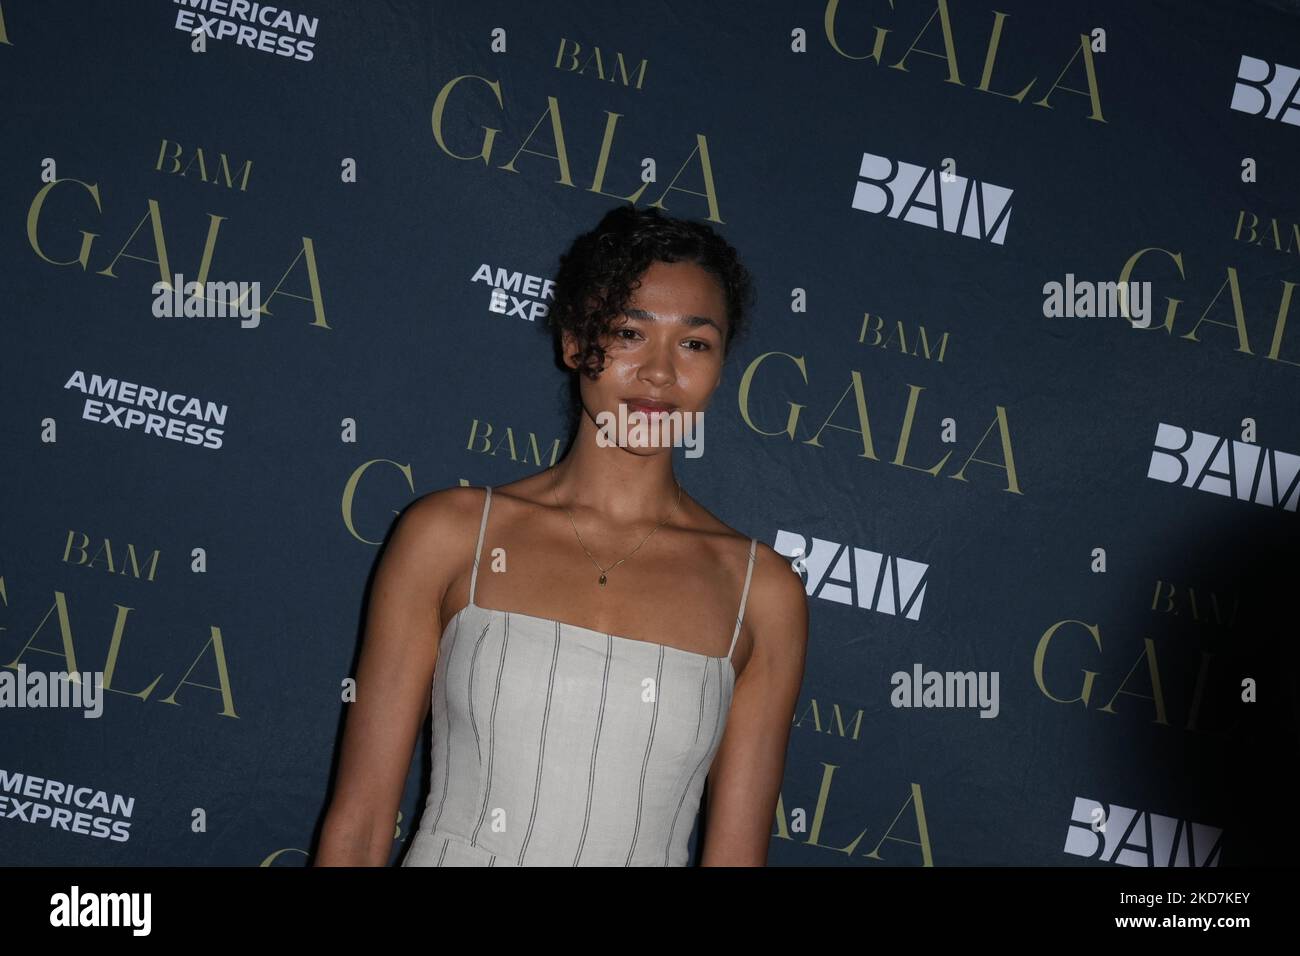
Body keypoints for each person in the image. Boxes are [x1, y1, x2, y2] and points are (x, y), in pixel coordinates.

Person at [314, 204, 808, 866]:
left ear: (720, 369)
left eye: (694, 343)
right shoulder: (449, 535)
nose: (661, 373)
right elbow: (361, 826)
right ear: (575, 341)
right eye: (630, 333)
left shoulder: (760, 591)